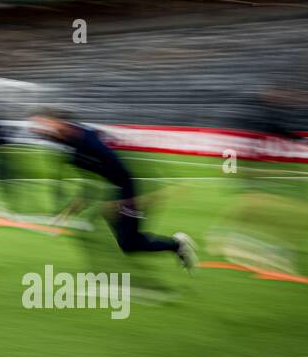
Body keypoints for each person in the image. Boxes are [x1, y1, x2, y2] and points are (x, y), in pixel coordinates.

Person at [30, 110, 198, 271]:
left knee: (129, 243)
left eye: (43, 124)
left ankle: (177, 245)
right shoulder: (71, 148)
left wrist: (128, 201)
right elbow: (90, 184)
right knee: (127, 242)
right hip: (117, 188)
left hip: (131, 185)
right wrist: (68, 212)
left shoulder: (88, 141)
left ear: (58, 122)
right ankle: (175, 246)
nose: (40, 130)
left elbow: (124, 170)